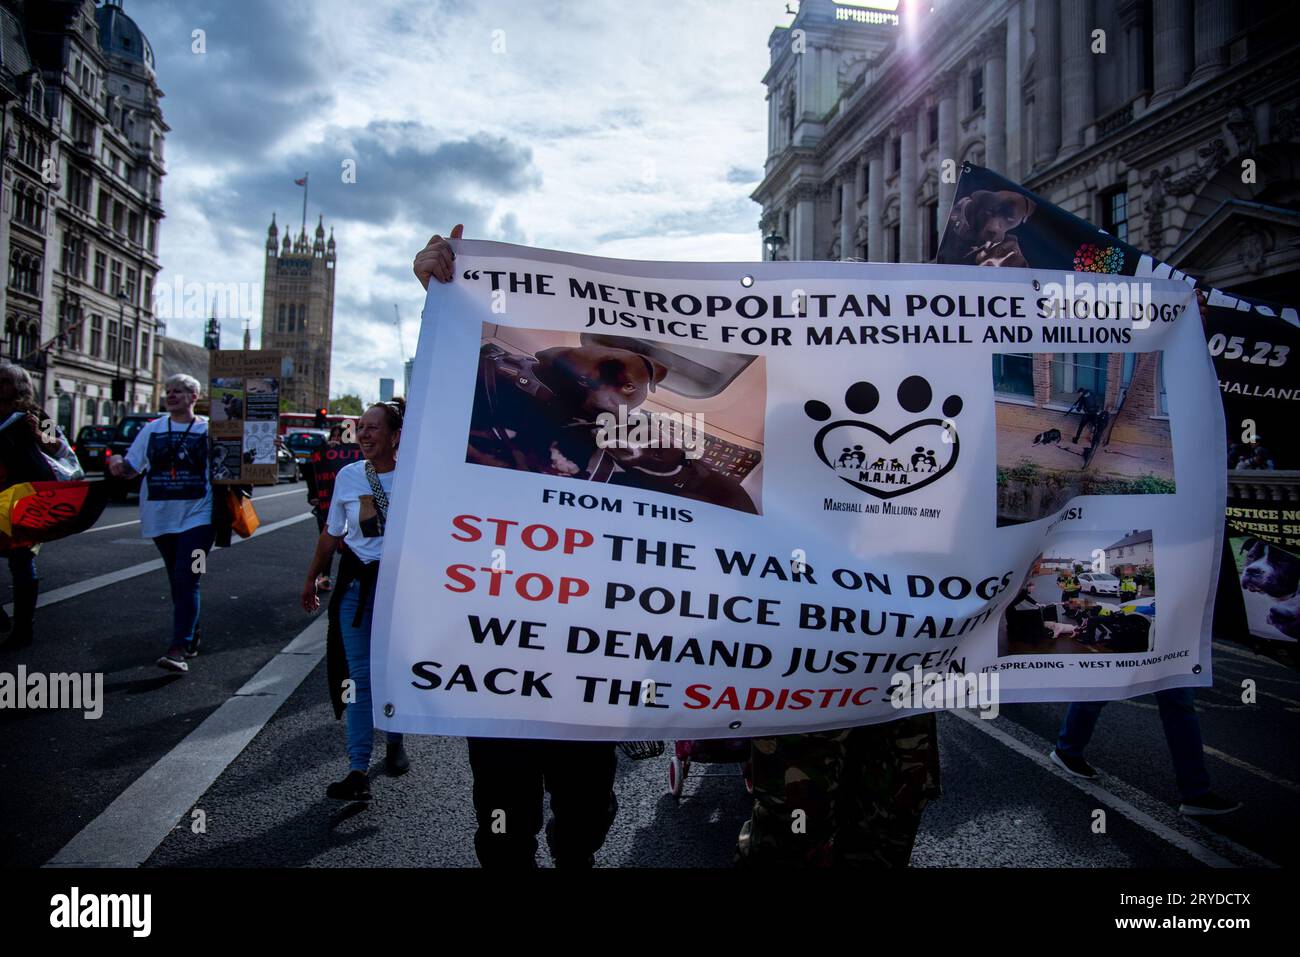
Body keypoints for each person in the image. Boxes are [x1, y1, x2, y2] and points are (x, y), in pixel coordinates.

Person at [415, 227, 620, 866]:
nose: (597, 384)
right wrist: (441, 294)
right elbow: (436, 406)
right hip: (499, 653)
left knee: (588, 813)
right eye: (582, 370)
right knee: (504, 822)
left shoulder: (632, 453)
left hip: (590, 658)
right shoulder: (487, 415)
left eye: (611, 377)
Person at [301, 399, 410, 803]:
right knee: (360, 676)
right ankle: (358, 769)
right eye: (360, 427)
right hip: (355, 587)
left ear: (396, 435)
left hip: (399, 590)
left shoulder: (418, 475)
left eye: (373, 428)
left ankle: (395, 740)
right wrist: (312, 576)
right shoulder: (349, 476)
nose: (364, 434)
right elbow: (332, 533)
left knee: (391, 672)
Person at [107, 374, 212, 672]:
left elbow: (237, 462)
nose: (171, 395)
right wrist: (115, 461)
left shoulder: (209, 430)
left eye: (178, 391)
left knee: (189, 576)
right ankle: (191, 633)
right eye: (168, 391)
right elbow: (131, 468)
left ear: (194, 396)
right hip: (161, 518)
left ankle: (178, 648)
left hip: (200, 519)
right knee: (177, 580)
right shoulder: (151, 430)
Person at [1050, 690, 1241, 816]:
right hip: (1139, 630)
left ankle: (1196, 791)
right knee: (1104, 684)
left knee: (1180, 705)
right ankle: (1068, 749)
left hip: (1172, 637)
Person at [0, 362, 76, 652]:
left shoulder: (34, 415)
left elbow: (62, 450)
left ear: (18, 386)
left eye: (5, 381)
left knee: (21, 561)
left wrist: (42, 437)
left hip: (25, 498)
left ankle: (23, 628)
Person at [304, 424, 361, 592]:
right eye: (333, 436)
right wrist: (312, 497)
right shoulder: (323, 455)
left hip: (349, 507)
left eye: (340, 436)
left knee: (348, 544)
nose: (336, 439)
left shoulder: (355, 456)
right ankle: (325, 576)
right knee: (327, 539)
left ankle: (349, 578)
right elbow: (312, 474)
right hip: (325, 507)